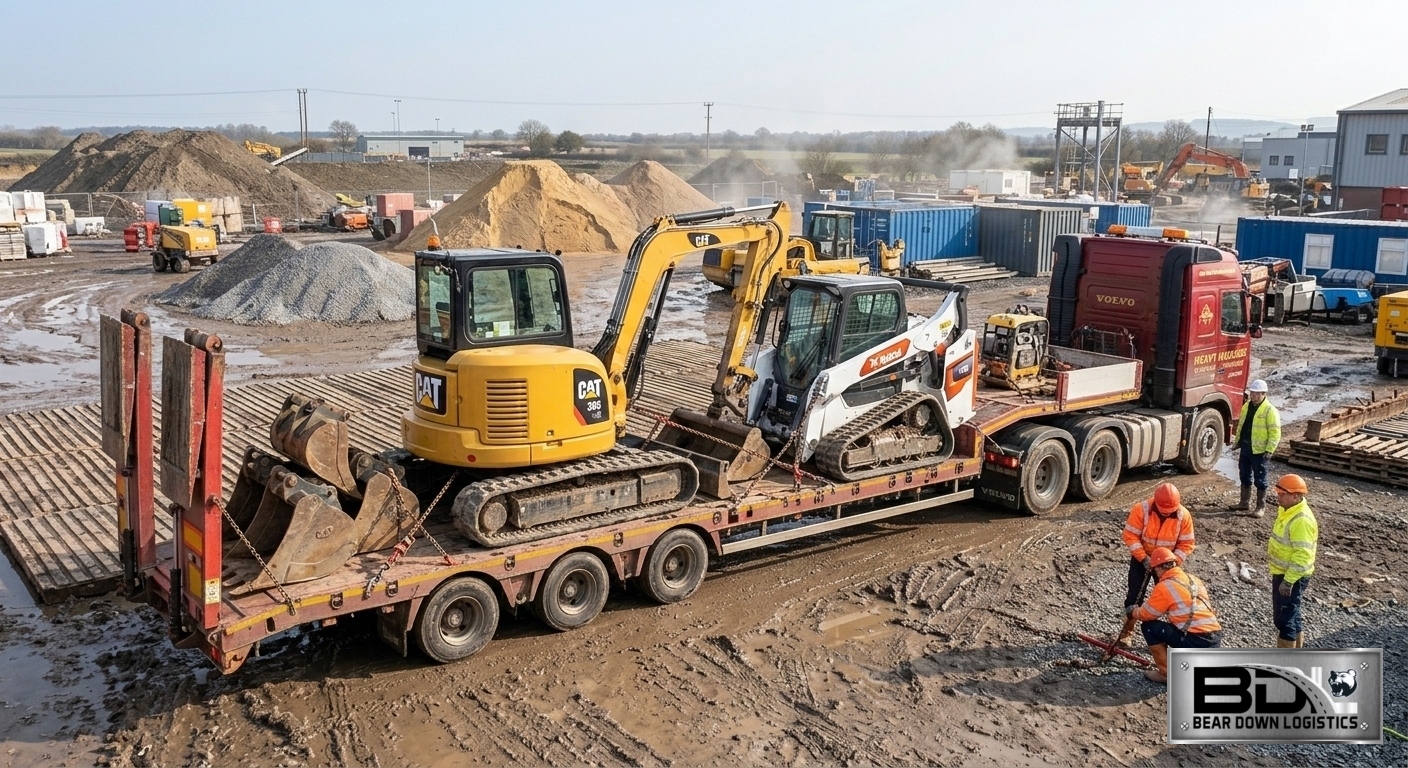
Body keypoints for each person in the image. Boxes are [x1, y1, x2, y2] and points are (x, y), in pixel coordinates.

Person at [1130, 546, 1224, 684]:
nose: (1156, 574)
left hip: (1197, 641)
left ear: (1160, 568)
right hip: (1214, 638)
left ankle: (1167, 674)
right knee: (1175, 630)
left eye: (1155, 570)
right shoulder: (1193, 579)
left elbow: (1146, 615)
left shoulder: (1165, 586)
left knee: (1149, 628)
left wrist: (1133, 611)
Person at [1121, 482, 1195, 622]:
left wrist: (1172, 563)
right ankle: (1127, 631)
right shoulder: (1141, 509)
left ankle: (1171, 628)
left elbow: (1187, 543)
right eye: (1163, 511)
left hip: (1166, 564)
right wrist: (1143, 558)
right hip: (1141, 558)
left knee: (1170, 595)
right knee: (1134, 595)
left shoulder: (1184, 516)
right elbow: (1130, 535)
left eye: (1169, 511)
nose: (1166, 513)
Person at [1268, 473, 1318, 648]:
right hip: (1284, 572)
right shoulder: (1288, 510)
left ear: (1296, 496)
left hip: (1291, 576)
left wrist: (1288, 582)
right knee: (1292, 613)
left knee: (1284, 619)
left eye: (1282, 495)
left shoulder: (1301, 520)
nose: (1278, 497)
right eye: (1278, 493)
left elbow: (1302, 555)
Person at [1230, 379, 1281, 517]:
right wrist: (1238, 442)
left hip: (1260, 451)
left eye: (1258, 394)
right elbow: (1242, 425)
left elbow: (1275, 433)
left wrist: (1269, 450)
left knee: (1260, 479)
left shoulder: (1270, 410)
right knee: (1244, 475)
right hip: (1246, 447)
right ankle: (1244, 502)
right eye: (1252, 393)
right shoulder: (1247, 406)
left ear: (1264, 394)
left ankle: (1260, 507)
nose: (1254, 396)